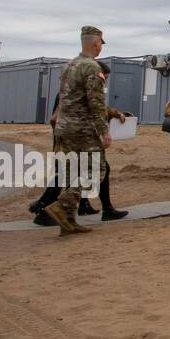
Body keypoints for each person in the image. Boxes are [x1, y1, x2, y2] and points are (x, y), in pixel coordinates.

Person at [30, 60, 128, 224]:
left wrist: (116, 114)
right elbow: (55, 119)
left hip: (74, 140)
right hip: (72, 141)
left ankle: (84, 205)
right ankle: (44, 211)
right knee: (71, 173)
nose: (104, 80)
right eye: (104, 77)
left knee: (77, 172)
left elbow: (97, 107)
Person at [41, 26, 111, 236]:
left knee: (71, 172)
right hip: (83, 128)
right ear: (95, 43)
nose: (100, 47)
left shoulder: (69, 65)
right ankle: (61, 206)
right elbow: (96, 103)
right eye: (100, 43)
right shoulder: (91, 68)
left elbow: (63, 98)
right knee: (95, 170)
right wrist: (103, 131)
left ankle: (68, 222)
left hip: (65, 127)